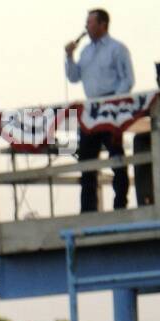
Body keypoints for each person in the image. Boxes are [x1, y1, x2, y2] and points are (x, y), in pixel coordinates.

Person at [65, 10, 135, 212]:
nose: (86, 26)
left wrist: (112, 100)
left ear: (103, 24)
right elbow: (74, 77)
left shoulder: (117, 49)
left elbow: (128, 79)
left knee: (116, 158)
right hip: (91, 110)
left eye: (90, 22)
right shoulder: (86, 51)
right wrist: (70, 56)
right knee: (87, 161)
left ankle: (120, 204)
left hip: (111, 108)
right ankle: (88, 209)